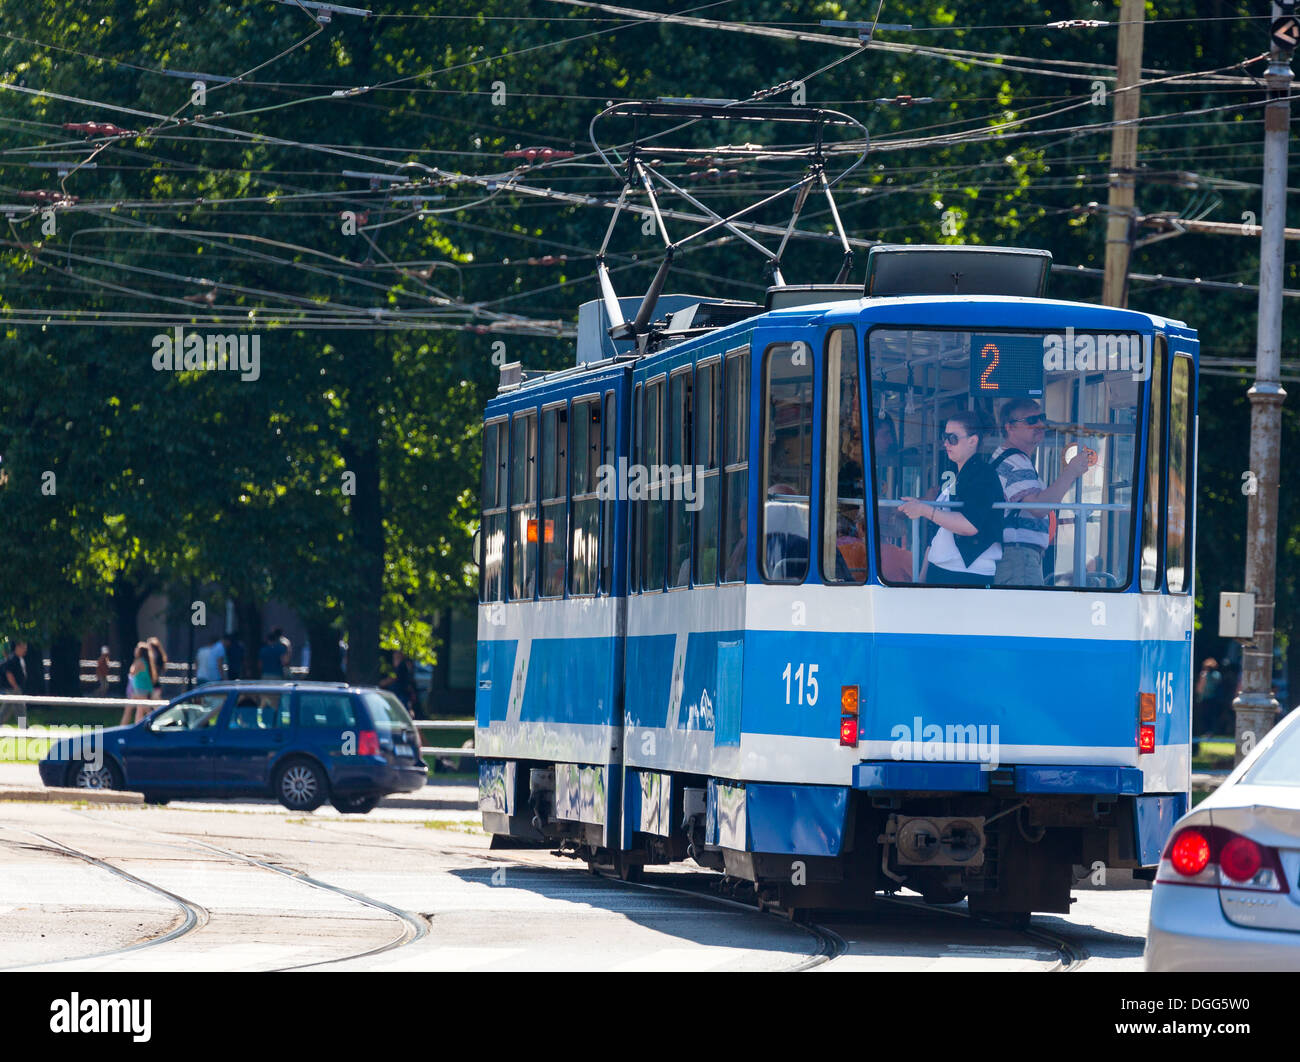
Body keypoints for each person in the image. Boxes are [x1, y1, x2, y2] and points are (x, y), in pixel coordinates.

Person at [990, 398, 1092, 587]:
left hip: (1019, 555)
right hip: (1018, 556)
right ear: (1010, 428)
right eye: (1031, 421)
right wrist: (1071, 472)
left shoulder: (1013, 459)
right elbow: (1038, 507)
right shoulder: (1015, 461)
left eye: (1041, 418)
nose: (1039, 424)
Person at [898, 411, 1004, 587]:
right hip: (940, 569)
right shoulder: (952, 475)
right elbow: (937, 532)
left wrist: (923, 510)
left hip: (967, 573)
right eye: (944, 437)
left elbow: (970, 524)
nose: (946, 443)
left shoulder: (984, 474)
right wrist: (922, 577)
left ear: (973, 441)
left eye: (953, 438)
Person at [380, 649, 418, 716]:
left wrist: (384, 682)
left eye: (397, 657)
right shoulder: (399, 667)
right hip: (398, 694)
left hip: (401, 694)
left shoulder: (402, 667)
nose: (395, 660)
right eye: (394, 658)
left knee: (403, 711)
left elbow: (396, 678)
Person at [124, 642, 154, 724]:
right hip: (140, 689)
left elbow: (132, 673)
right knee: (140, 710)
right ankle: (135, 726)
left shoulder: (139, 662)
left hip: (140, 690)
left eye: (137, 648)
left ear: (140, 652)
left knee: (145, 709)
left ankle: (156, 722)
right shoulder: (144, 661)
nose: (135, 650)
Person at [0, 641, 28, 726]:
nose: (25, 650)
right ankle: (24, 728)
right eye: (23, 647)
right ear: (17, 647)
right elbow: (9, 674)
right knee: (20, 708)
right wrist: (15, 686)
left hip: (13, 688)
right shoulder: (13, 659)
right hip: (13, 688)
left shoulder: (17, 658)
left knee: (7, 709)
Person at [147, 637, 168, 702]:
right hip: (151, 683)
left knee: (155, 700)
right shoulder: (157, 656)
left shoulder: (155, 656)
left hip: (154, 683)